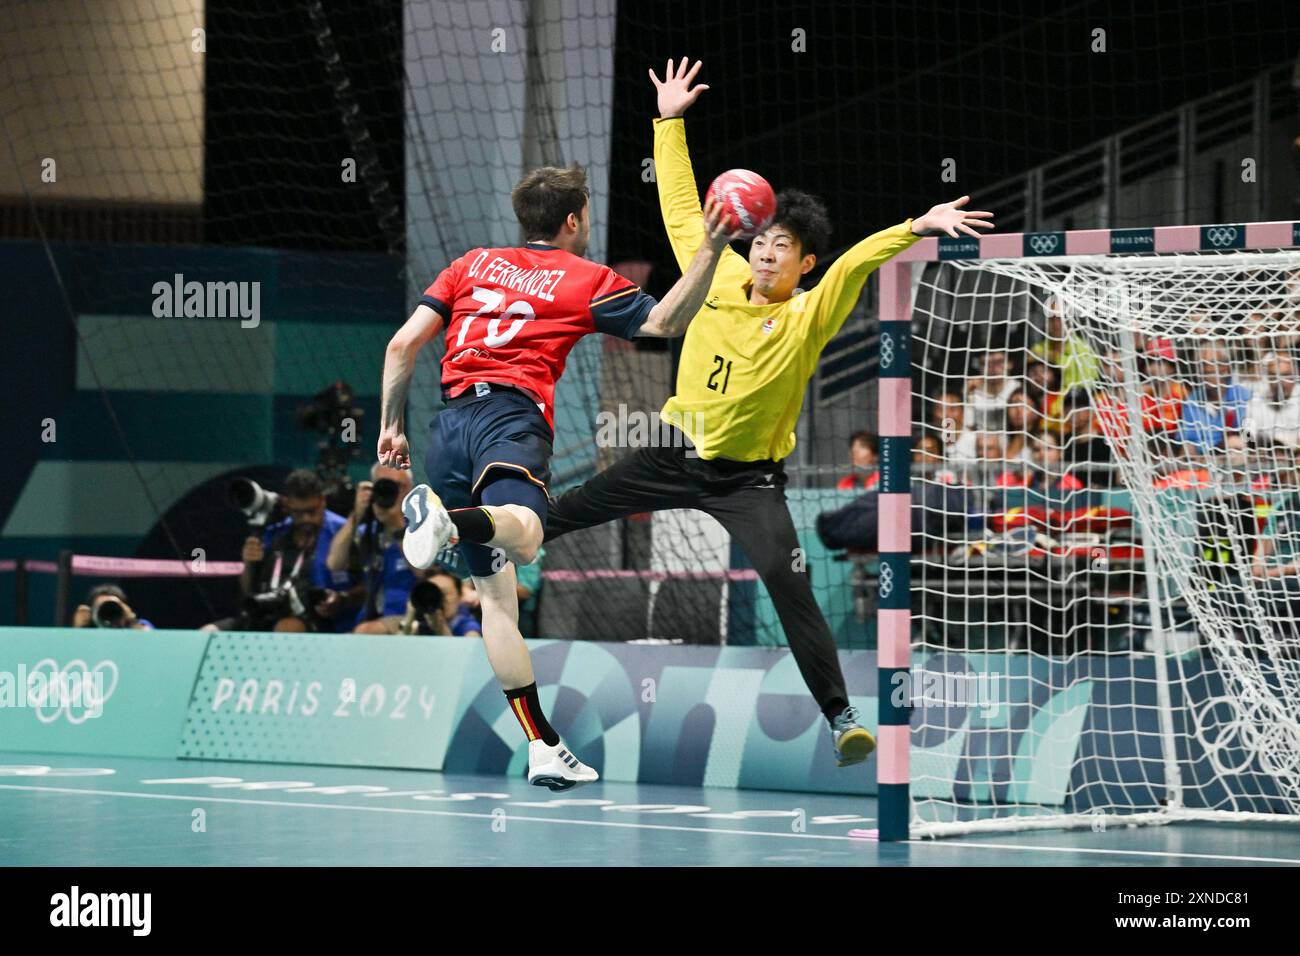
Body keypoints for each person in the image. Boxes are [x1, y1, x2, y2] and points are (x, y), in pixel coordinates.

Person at [543, 57, 993, 768]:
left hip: (749, 482)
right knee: (566, 510)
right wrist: (667, 123)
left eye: (783, 246)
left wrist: (920, 224)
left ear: (804, 263)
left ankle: (842, 717)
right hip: (673, 455)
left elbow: (857, 264)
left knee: (790, 584)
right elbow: (683, 209)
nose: (766, 252)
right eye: (762, 240)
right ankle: (469, 535)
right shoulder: (718, 270)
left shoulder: (811, 314)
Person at [378, 159, 739, 791]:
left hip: (449, 427)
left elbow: (401, 346)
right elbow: (664, 322)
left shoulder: (469, 264)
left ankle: (542, 745)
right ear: (573, 220)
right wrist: (710, 248)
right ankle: (446, 520)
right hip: (510, 419)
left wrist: (391, 427)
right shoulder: (583, 279)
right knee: (527, 535)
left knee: (496, 598)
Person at [204, 469, 358, 633]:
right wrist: (249, 563)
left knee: (287, 627)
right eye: (298, 513)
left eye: (311, 511)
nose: (306, 519)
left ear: (322, 501)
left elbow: (368, 586)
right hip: (268, 613)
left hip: (321, 622)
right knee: (208, 632)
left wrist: (342, 599)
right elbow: (247, 591)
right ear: (287, 504)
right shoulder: (274, 534)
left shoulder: (344, 533)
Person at [327, 464, 427, 634]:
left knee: (365, 632)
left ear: (410, 490)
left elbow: (422, 572)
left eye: (397, 486)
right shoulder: (368, 532)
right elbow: (334, 564)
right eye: (382, 485)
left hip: (412, 617)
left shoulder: (423, 526)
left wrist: (397, 526)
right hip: (370, 618)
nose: (390, 491)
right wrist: (356, 515)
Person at [1177, 344, 1250, 454]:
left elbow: (1250, 439)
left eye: (1208, 365)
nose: (1203, 370)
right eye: (1200, 365)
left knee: (1235, 443)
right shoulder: (1192, 401)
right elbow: (1188, 442)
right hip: (1203, 463)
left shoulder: (1243, 396)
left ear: (1225, 368)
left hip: (1237, 458)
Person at [72, 584, 154, 630]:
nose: (108, 612)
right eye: (103, 607)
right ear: (91, 612)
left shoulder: (138, 626)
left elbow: (151, 643)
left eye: (112, 607)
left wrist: (132, 622)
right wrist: (79, 629)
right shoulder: (89, 631)